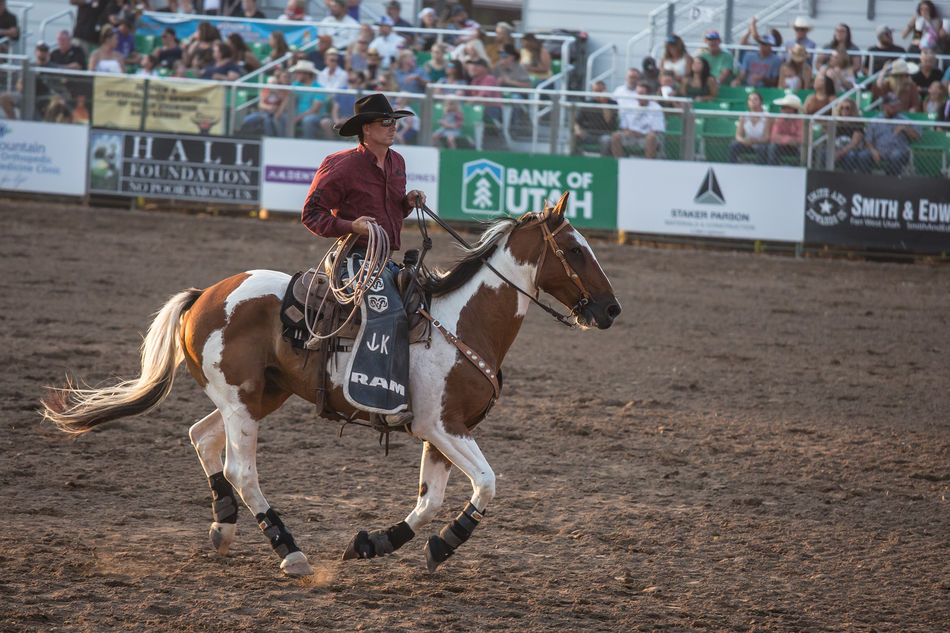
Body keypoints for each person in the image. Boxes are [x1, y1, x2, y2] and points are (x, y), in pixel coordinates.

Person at [301, 93, 426, 428]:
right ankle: (379, 401)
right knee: (389, 315)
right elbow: (311, 214)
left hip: (386, 258)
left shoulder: (397, 161)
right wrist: (350, 226)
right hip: (353, 257)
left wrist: (407, 203)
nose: (393, 127)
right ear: (366, 130)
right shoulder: (341, 164)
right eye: (386, 122)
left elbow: (391, 206)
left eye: (395, 121)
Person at [857, 93, 921, 175]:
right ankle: (865, 181)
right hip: (879, 151)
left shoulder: (904, 120)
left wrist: (905, 128)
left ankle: (892, 181)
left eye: (897, 105)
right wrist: (873, 151)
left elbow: (918, 135)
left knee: (895, 155)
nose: (896, 108)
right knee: (863, 155)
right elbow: (868, 141)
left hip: (899, 151)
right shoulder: (875, 121)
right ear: (885, 106)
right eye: (892, 106)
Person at [610, 81, 665, 159]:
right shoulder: (629, 106)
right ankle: (618, 163)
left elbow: (656, 130)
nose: (638, 96)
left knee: (651, 138)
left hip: (646, 137)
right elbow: (624, 126)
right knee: (616, 136)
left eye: (641, 94)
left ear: (648, 95)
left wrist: (639, 134)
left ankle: (648, 165)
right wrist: (627, 132)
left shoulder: (656, 108)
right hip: (631, 137)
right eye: (637, 93)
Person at [0, 41, 53, 120]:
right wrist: (21, 87)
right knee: (4, 98)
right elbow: (19, 83)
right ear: (36, 52)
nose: (42, 53)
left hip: (44, 99)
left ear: (48, 53)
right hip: (27, 96)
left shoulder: (52, 68)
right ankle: (14, 123)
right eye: (40, 50)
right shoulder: (30, 66)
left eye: (45, 51)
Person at [239, 68, 291, 136]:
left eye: (288, 77)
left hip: (275, 113)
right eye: (284, 77)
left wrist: (277, 92)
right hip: (265, 112)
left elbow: (284, 106)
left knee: (267, 122)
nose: (286, 79)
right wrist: (269, 107)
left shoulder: (287, 90)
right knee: (248, 119)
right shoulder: (268, 88)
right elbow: (261, 104)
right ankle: (242, 137)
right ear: (278, 78)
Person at [573, 80, 617, 156]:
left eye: (600, 91)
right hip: (589, 135)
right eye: (595, 91)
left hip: (605, 135)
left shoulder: (612, 104)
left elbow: (608, 120)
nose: (597, 94)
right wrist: (578, 130)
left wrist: (604, 103)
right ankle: (577, 161)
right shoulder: (587, 104)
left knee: (606, 140)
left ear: (604, 91)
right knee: (574, 137)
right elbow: (576, 122)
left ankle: (603, 164)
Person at [728, 91, 771, 164]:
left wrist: (756, 140)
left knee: (762, 148)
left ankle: (759, 170)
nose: (752, 101)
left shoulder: (767, 116)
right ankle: (732, 168)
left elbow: (767, 137)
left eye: (755, 99)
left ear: (761, 101)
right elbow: (738, 136)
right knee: (733, 145)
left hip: (761, 143)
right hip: (747, 143)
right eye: (750, 100)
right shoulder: (744, 116)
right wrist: (744, 141)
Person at [290, 59, 328, 139]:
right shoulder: (295, 85)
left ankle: (308, 142)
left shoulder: (319, 88)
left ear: (307, 74)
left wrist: (298, 117)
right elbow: (288, 101)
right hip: (297, 114)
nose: (296, 75)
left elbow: (314, 110)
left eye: (298, 72)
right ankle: (285, 140)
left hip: (315, 116)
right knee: (283, 118)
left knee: (308, 120)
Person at [828, 98, 865, 172]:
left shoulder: (858, 122)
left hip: (851, 149)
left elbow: (854, 143)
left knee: (850, 155)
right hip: (837, 148)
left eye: (847, 108)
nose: (844, 110)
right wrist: (836, 151)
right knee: (825, 153)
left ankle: (848, 179)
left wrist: (840, 153)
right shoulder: (836, 122)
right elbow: (831, 139)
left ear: (852, 110)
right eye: (842, 108)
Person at [766, 93, 804, 165]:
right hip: (782, 146)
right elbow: (773, 137)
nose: (781, 109)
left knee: (802, 149)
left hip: (796, 147)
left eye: (784, 107)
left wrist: (786, 139)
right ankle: (773, 168)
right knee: (773, 147)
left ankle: (800, 167)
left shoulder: (801, 120)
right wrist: (788, 139)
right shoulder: (779, 119)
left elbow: (802, 138)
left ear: (793, 109)